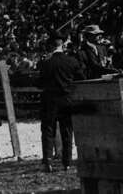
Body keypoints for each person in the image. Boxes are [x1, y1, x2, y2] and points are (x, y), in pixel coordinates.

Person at [37, 31, 84, 172]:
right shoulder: (72, 61)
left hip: (49, 100)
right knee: (67, 131)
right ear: (63, 44)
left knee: (48, 130)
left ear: (51, 45)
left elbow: (39, 83)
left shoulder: (45, 63)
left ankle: (48, 161)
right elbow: (81, 78)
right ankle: (67, 162)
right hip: (66, 99)